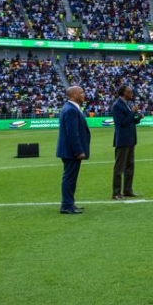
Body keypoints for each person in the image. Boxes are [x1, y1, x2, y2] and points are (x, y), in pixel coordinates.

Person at [56, 85, 90, 215]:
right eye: (81, 93)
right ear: (73, 95)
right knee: (69, 179)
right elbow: (72, 133)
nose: (83, 94)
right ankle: (66, 205)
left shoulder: (70, 108)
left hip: (69, 150)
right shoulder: (71, 109)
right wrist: (78, 151)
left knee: (70, 178)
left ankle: (69, 203)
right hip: (71, 152)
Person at [111, 85, 142, 200]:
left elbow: (130, 121)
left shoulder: (125, 104)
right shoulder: (117, 105)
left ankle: (128, 190)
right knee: (119, 168)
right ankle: (116, 192)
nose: (132, 93)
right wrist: (132, 112)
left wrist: (138, 118)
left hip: (130, 139)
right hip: (123, 140)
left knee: (130, 166)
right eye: (130, 91)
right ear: (124, 93)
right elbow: (122, 123)